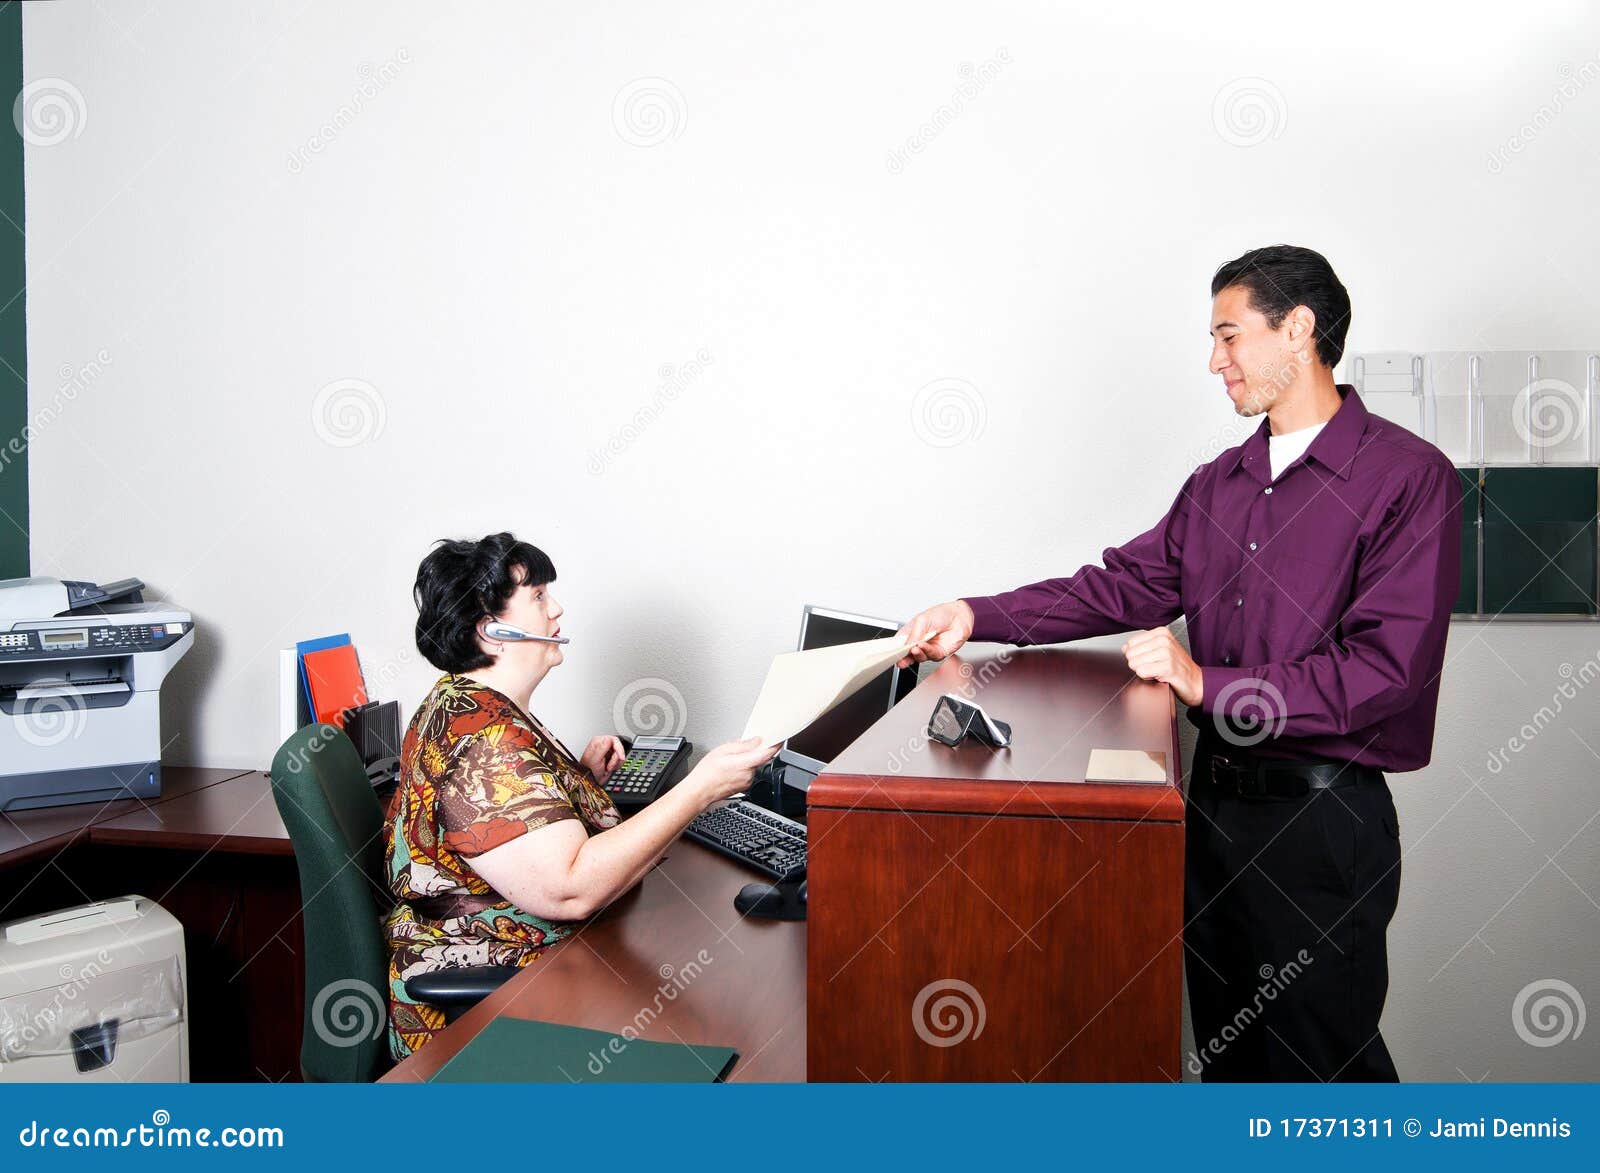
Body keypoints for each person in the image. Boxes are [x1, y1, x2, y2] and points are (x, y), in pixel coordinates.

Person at [897, 245, 1460, 1082]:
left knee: (1322, 1073)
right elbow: (1118, 586)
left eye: (1230, 336)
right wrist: (977, 615)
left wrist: (1206, 683)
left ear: (1298, 329)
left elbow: (1385, 671)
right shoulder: (1217, 486)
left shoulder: (1409, 478)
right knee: (1229, 1063)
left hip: (1321, 827)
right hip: (1211, 815)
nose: (1214, 361)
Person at [383, 532, 776, 1057]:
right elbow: (568, 889)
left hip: (533, 968)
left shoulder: (469, 702)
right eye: (539, 597)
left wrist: (575, 782)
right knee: (729, 1026)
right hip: (496, 1001)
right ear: (492, 632)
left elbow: (502, 823)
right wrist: (699, 790)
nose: (557, 609)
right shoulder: (484, 739)